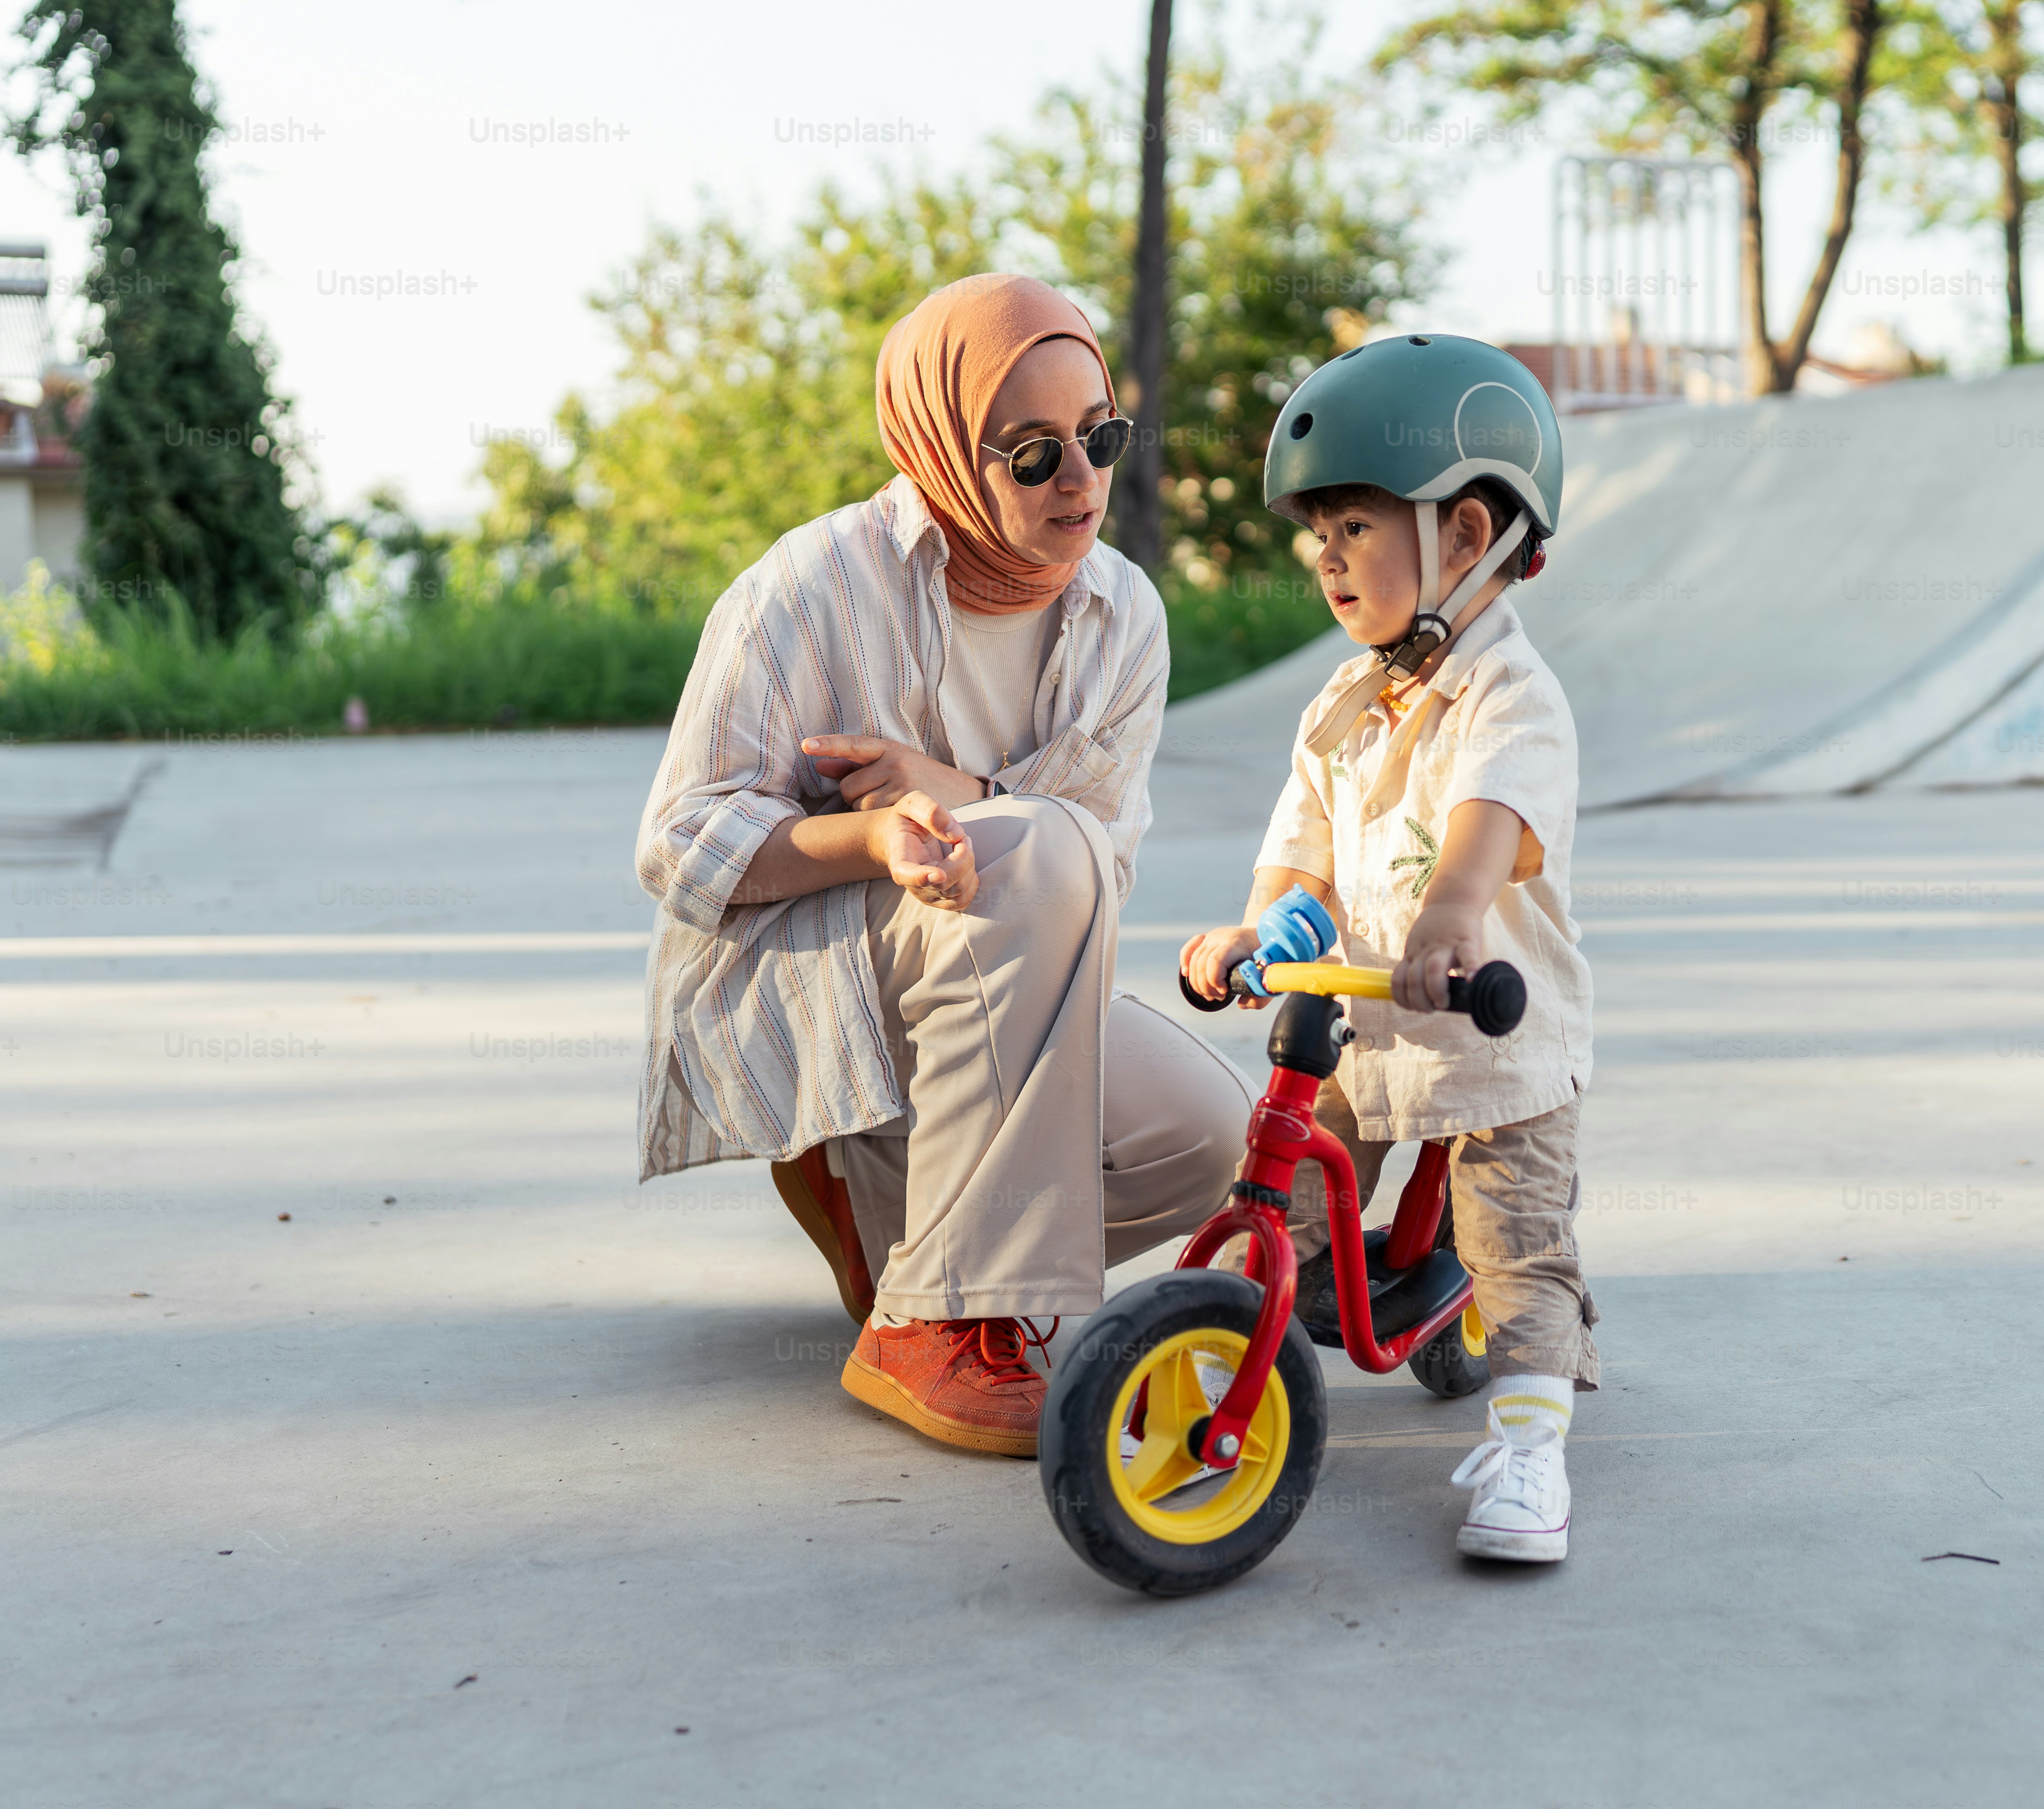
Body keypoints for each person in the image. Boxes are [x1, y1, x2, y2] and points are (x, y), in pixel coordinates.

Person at [635, 273, 1250, 1459]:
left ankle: (906, 1237)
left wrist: (956, 794)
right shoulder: (809, 588)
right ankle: (936, 1322)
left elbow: (1101, 861)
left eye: (1100, 437)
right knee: (1034, 848)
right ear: (941, 448)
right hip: (814, 977)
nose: (1080, 480)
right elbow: (679, 843)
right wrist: (870, 839)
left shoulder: (1125, 615)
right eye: (1031, 455)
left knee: (1206, 1139)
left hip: (1002, 982)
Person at [1180, 335, 1597, 1564]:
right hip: (1359, 1025)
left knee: (1514, 1244)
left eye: (1353, 525)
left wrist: (1447, 924)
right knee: (1280, 1192)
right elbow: (1299, 847)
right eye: (1319, 534)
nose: (1324, 557)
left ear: (1462, 536)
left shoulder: (1509, 697)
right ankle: (1224, 1364)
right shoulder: (1342, 705)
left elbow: (1487, 824)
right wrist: (1259, 930)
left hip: (1487, 1028)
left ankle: (1529, 1452)